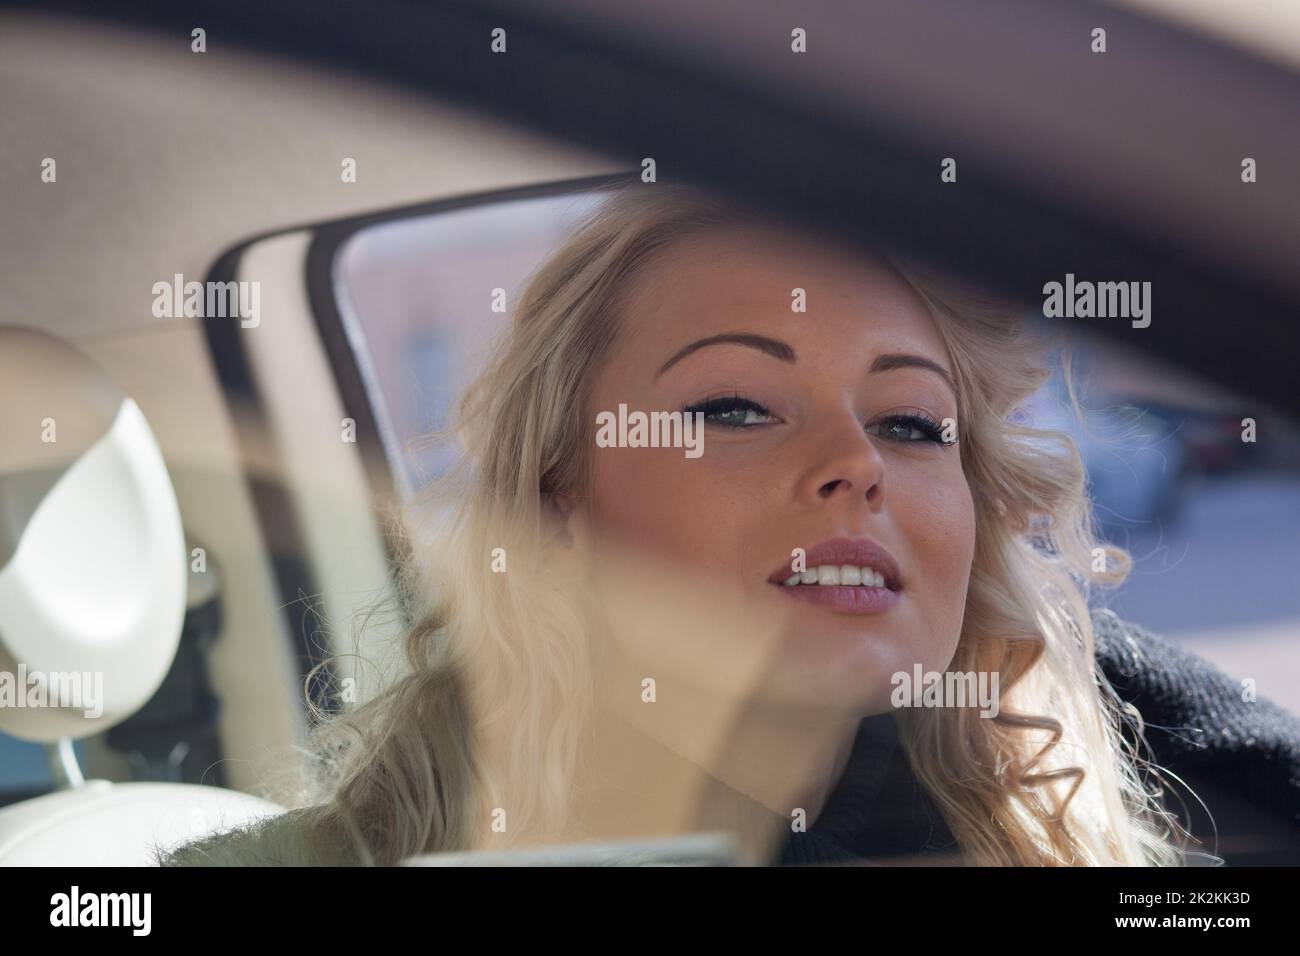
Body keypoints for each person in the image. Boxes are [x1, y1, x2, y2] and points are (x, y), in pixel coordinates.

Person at [163, 182, 1229, 867]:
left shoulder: (1101, 828)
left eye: (911, 421)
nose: (856, 465)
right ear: (558, 503)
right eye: (732, 408)